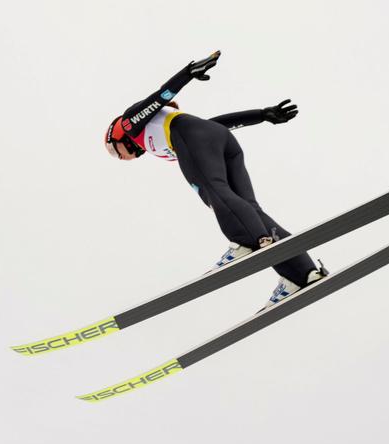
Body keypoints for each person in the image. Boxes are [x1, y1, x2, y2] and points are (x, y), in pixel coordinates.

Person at [104, 50, 326, 309]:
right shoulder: (160, 135)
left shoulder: (131, 124)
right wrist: (262, 115)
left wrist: (186, 75)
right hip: (220, 139)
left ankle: (246, 240)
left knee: (214, 192)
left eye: (114, 152)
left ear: (116, 137)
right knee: (250, 208)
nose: (120, 158)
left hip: (193, 138)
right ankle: (302, 274)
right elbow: (215, 125)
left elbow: (159, 96)